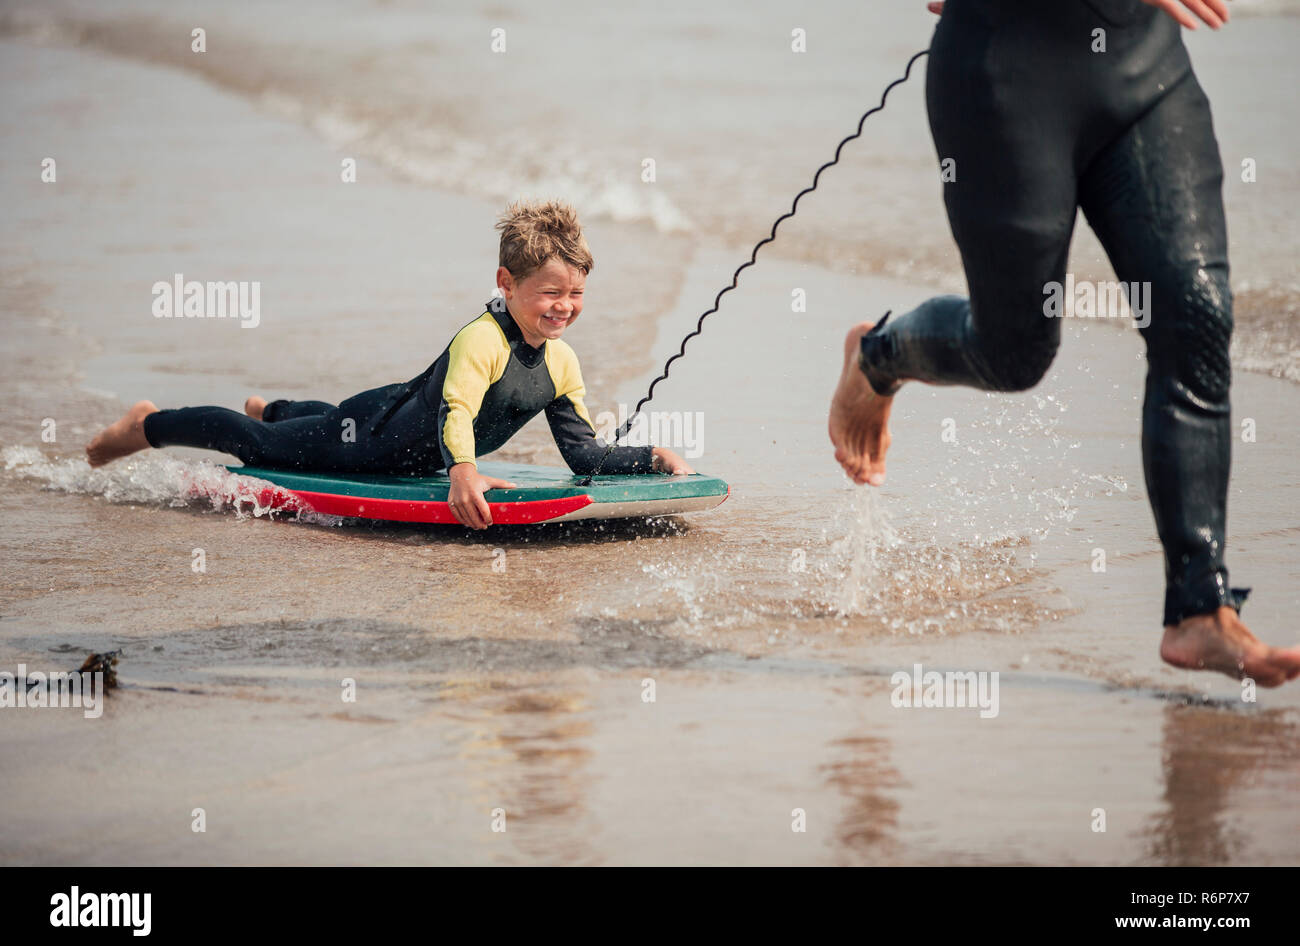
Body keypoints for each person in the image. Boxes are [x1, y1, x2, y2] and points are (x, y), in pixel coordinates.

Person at [828, 0, 1300, 686]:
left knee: (1195, 316)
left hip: (1148, 72)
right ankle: (880, 355)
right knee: (1013, 353)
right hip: (1004, 81)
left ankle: (1201, 609)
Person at [87, 200, 693, 529]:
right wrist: (464, 472)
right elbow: (457, 411)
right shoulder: (481, 341)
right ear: (506, 283)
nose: (564, 308)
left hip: (396, 423)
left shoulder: (561, 363)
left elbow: (582, 453)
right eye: (549, 293)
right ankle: (147, 424)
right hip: (372, 440)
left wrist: (652, 458)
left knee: (314, 424)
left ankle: (276, 407)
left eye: (576, 295)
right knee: (259, 445)